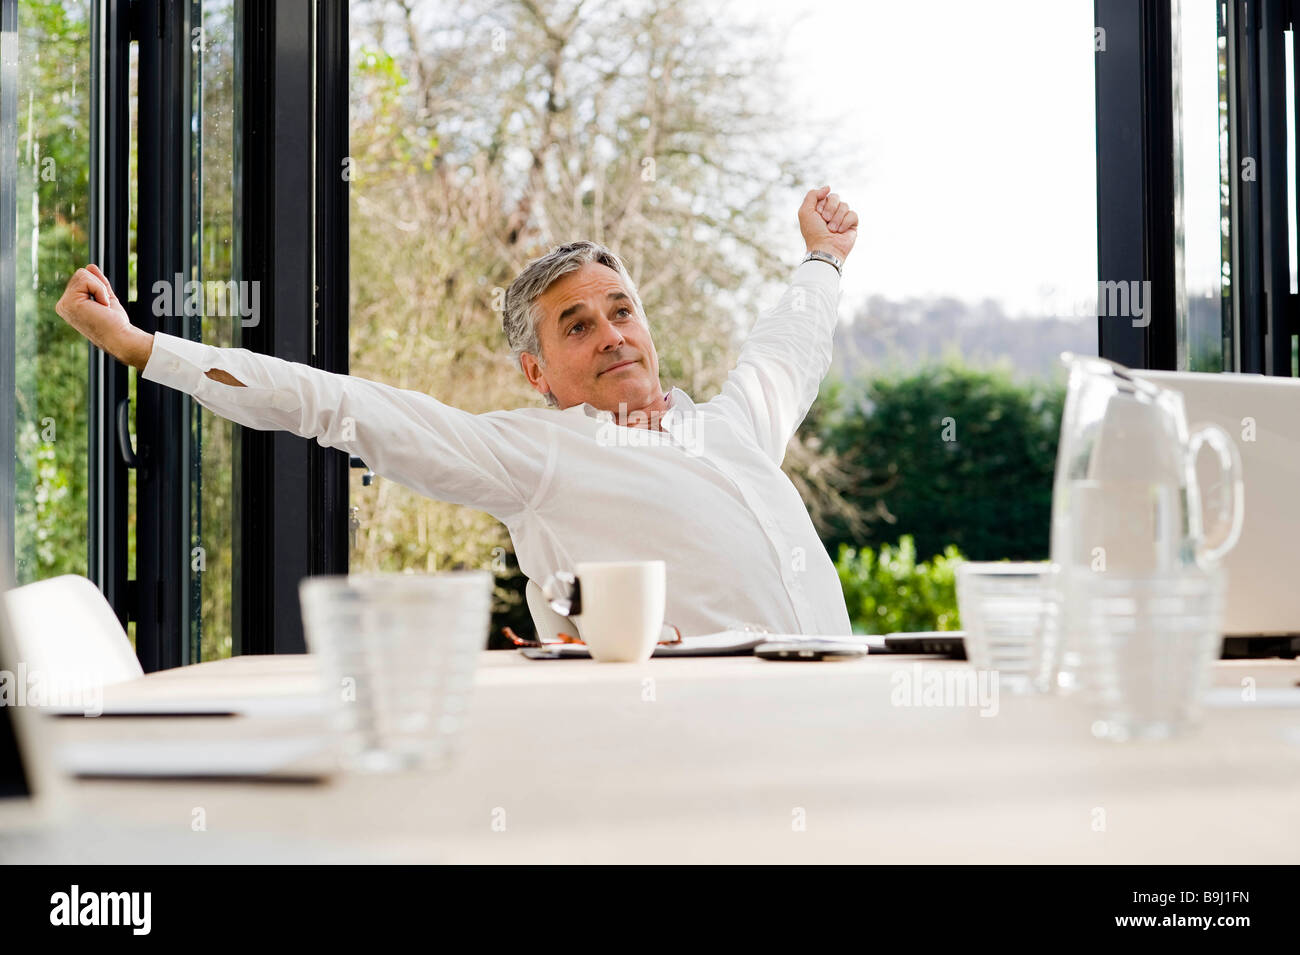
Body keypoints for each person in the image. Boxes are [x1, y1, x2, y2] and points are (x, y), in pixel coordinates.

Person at [55, 186, 859, 637]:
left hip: (840, 716)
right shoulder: (534, 457)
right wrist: (145, 348)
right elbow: (342, 405)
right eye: (577, 325)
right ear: (535, 371)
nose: (612, 335)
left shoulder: (735, 424)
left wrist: (822, 256)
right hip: (700, 750)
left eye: (622, 311)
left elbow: (792, 342)